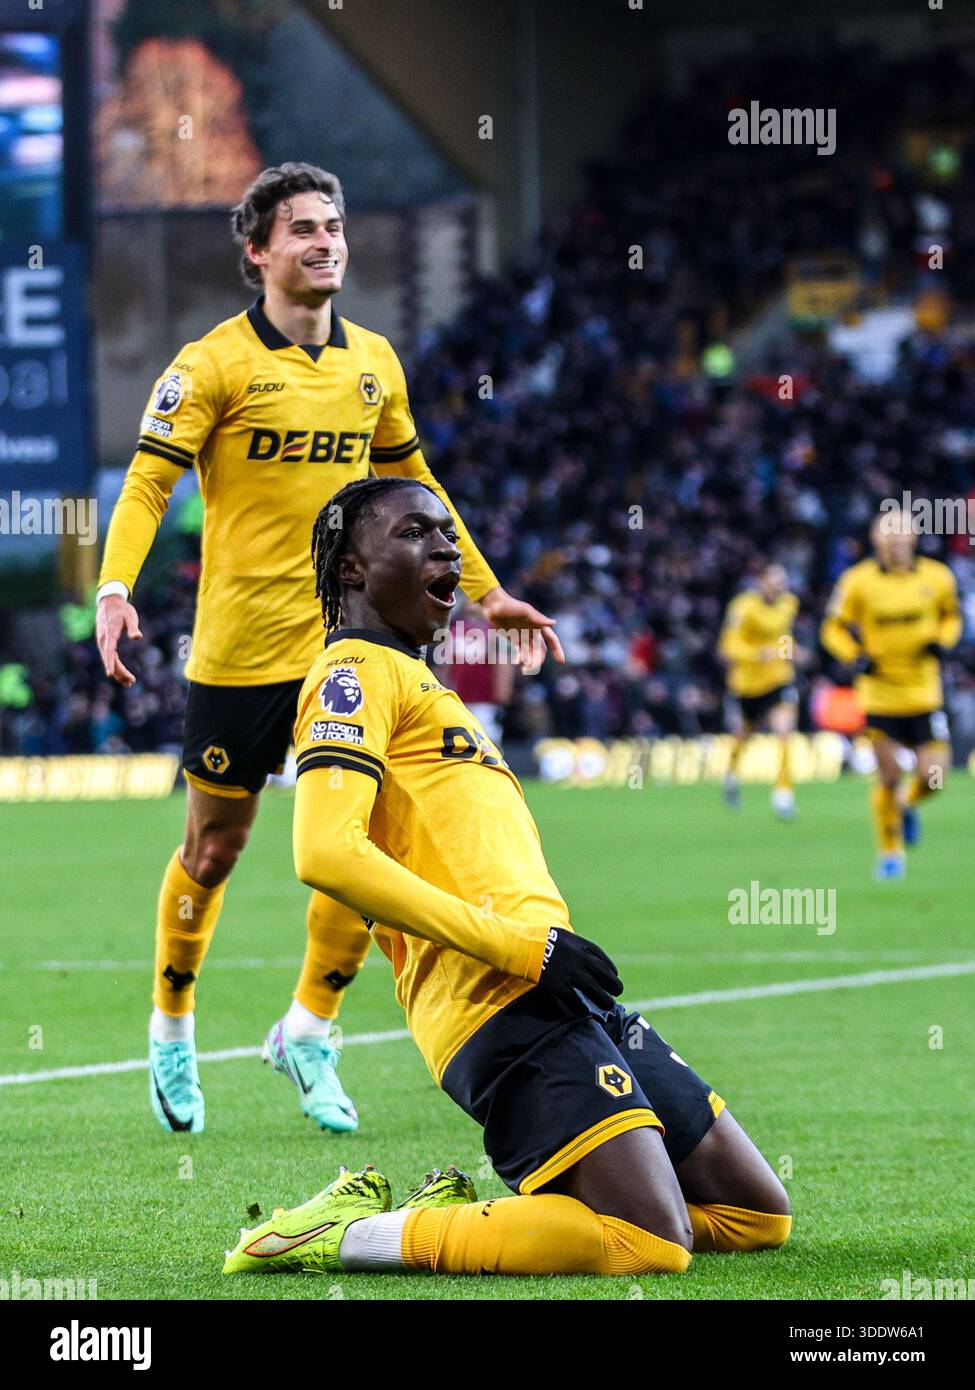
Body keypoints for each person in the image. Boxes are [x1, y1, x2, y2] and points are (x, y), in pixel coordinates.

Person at [222, 476, 790, 1279]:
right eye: (415, 534)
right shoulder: (352, 672)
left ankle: (512, 1215)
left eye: (449, 534)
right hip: (496, 996)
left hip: (558, 982)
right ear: (351, 569)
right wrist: (520, 949)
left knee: (753, 1213)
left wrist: (542, 955)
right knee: (650, 1243)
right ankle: (347, 1236)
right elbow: (326, 854)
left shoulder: (424, 684)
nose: (446, 548)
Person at [95, 163, 561, 1136]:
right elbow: (146, 483)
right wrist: (113, 586)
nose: (325, 242)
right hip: (236, 649)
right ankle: (172, 1023)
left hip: (354, 651)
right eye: (302, 228)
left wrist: (487, 589)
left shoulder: (375, 364)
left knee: (363, 842)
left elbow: (415, 483)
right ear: (258, 251)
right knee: (215, 847)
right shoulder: (212, 363)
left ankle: (310, 1026)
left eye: (335, 225)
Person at [821, 509, 961, 880]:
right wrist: (855, 657)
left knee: (934, 778)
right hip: (879, 695)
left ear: (914, 537)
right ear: (876, 539)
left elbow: (953, 616)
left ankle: (904, 805)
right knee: (889, 773)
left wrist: (942, 641)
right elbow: (831, 628)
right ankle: (890, 853)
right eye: (890, 532)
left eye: (903, 532)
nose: (897, 539)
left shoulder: (938, 576)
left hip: (924, 693)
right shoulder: (857, 581)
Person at [718, 564, 803, 819]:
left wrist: (791, 651)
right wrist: (758, 654)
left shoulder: (789, 603)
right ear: (761, 581)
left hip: (779, 678)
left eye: (783, 580)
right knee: (744, 735)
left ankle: (783, 794)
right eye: (775, 580)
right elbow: (727, 647)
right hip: (747, 683)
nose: (780, 585)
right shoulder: (742, 607)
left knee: (784, 732)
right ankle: (731, 776)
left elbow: (784, 636)